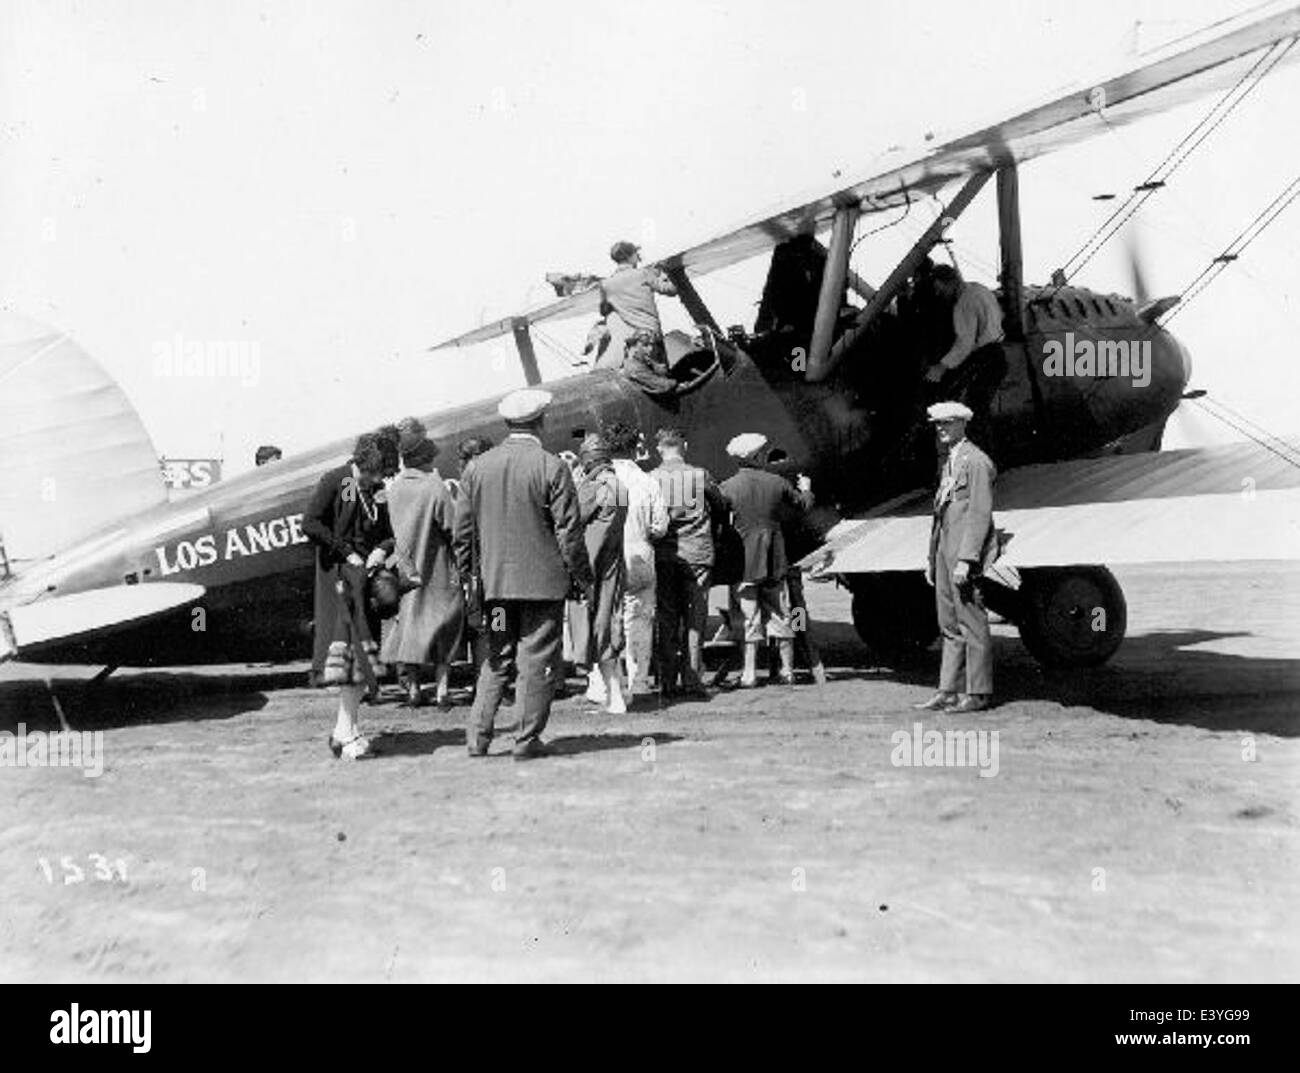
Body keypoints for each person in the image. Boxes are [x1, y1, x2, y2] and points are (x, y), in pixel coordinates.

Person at [453, 389, 593, 760]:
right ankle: (526, 740)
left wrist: (471, 583)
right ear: (541, 421)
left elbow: (462, 535)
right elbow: (569, 533)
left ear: (506, 423)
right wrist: (582, 578)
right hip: (542, 590)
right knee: (535, 661)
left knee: (497, 657)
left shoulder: (475, 469)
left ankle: (477, 738)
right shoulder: (551, 466)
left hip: (495, 591)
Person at [302, 432, 395, 759]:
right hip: (339, 582)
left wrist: (381, 551)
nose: (380, 479)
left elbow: (388, 535)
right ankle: (347, 733)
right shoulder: (335, 480)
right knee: (350, 661)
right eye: (377, 471)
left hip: (362, 583)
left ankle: (347, 731)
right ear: (366, 463)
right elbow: (310, 524)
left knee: (358, 664)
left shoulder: (376, 490)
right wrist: (344, 551)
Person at [915, 401, 998, 713]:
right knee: (948, 624)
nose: (940, 429)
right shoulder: (950, 461)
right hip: (943, 552)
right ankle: (948, 689)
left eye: (947, 423)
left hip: (962, 554)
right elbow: (942, 515)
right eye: (937, 424)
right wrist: (931, 558)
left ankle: (978, 693)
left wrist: (967, 559)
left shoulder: (976, 462)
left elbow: (979, 513)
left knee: (972, 624)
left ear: (963, 424)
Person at [718, 433, 812, 688]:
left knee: (749, 619)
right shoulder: (777, 482)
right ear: (759, 456)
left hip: (744, 564)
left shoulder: (727, 487)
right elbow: (803, 505)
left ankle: (749, 674)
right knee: (783, 614)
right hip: (775, 561)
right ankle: (788, 670)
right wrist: (806, 489)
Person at [382, 420, 464, 709]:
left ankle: (414, 689)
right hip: (437, 569)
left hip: (405, 570)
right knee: (445, 626)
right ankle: (442, 691)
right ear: (426, 459)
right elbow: (452, 528)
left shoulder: (394, 490)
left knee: (410, 628)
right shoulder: (435, 487)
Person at [651, 427, 725, 698]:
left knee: (667, 618)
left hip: (663, 556)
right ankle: (692, 680)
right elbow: (721, 505)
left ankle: (667, 682)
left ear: (659, 448)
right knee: (695, 619)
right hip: (697, 554)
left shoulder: (652, 478)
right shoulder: (700, 476)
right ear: (685, 445)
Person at [603, 420, 668, 705]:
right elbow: (660, 527)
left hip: (608, 555)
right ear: (634, 447)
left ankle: (608, 686)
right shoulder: (647, 481)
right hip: (641, 552)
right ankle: (639, 681)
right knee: (640, 618)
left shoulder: (603, 481)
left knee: (607, 618)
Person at [574, 432, 628, 714]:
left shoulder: (594, 486)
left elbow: (572, 520)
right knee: (608, 630)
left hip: (590, 571)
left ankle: (612, 696)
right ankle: (615, 695)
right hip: (613, 567)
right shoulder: (618, 485)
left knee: (593, 632)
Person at [922, 265, 1007, 426]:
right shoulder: (980, 289)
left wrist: (940, 367)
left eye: (940, 289)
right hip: (998, 354)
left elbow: (964, 344)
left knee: (973, 407)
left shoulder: (963, 304)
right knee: (980, 406)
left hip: (985, 357)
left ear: (950, 282)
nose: (940, 294)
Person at [602, 240, 678, 391]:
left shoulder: (607, 285)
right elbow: (671, 290)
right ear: (631, 256)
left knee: (643, 380)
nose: (638, 256)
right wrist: (663, 274)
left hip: (634, 341)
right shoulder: (643, 274)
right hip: (651, 337)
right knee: (661, 377)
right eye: (636, 254)